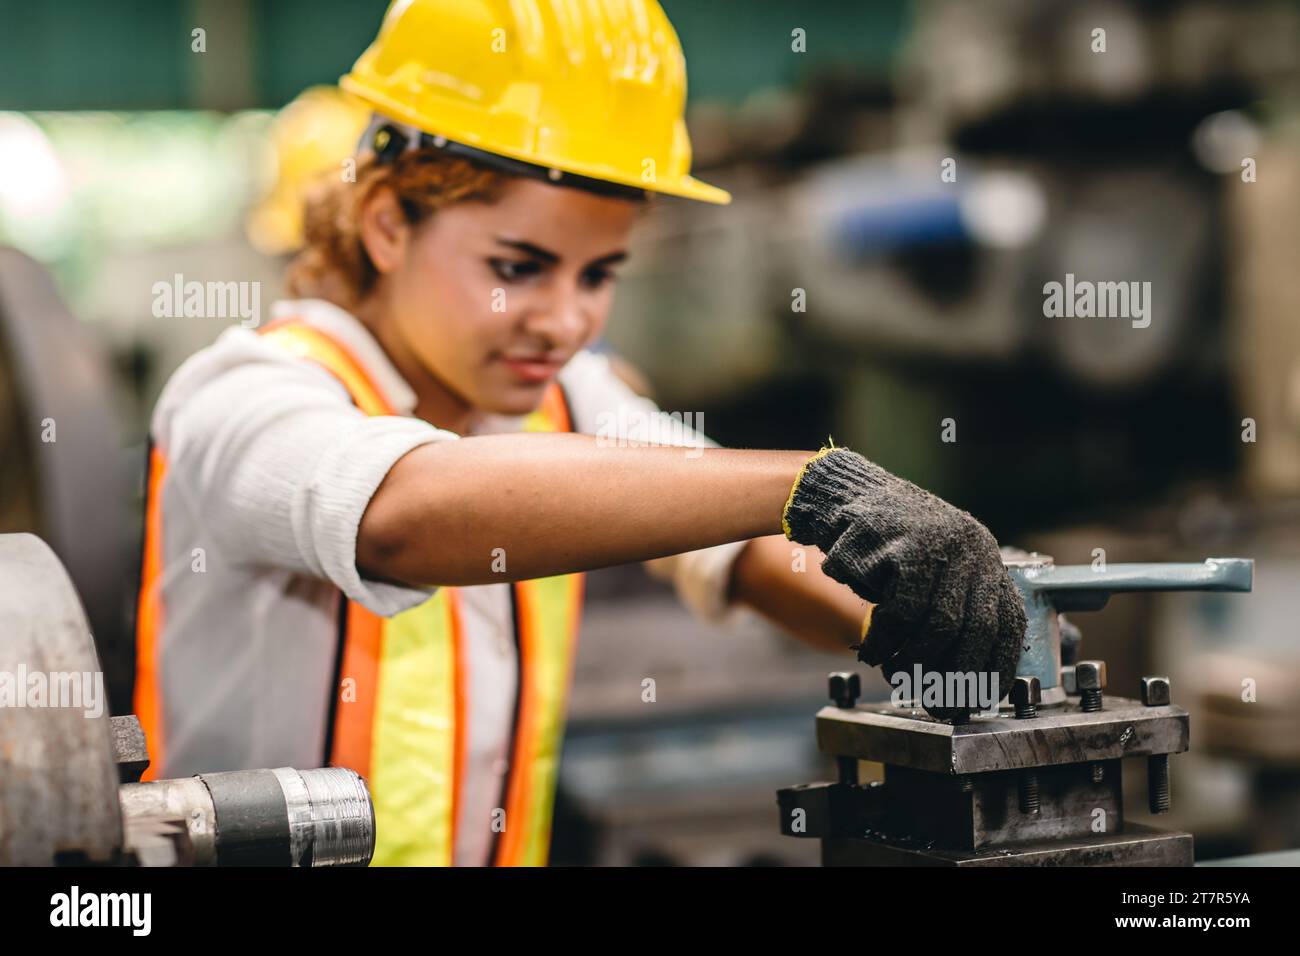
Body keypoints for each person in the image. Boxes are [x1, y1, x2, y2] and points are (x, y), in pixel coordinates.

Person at [134, 0, 1026, 866]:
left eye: (599, 274)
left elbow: (743, 546)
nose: (564, 321)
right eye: (517, 268)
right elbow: (401, 509)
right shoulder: (243, 394)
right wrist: (817, 488)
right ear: (387, 224)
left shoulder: (564, 394)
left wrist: (946, 610)